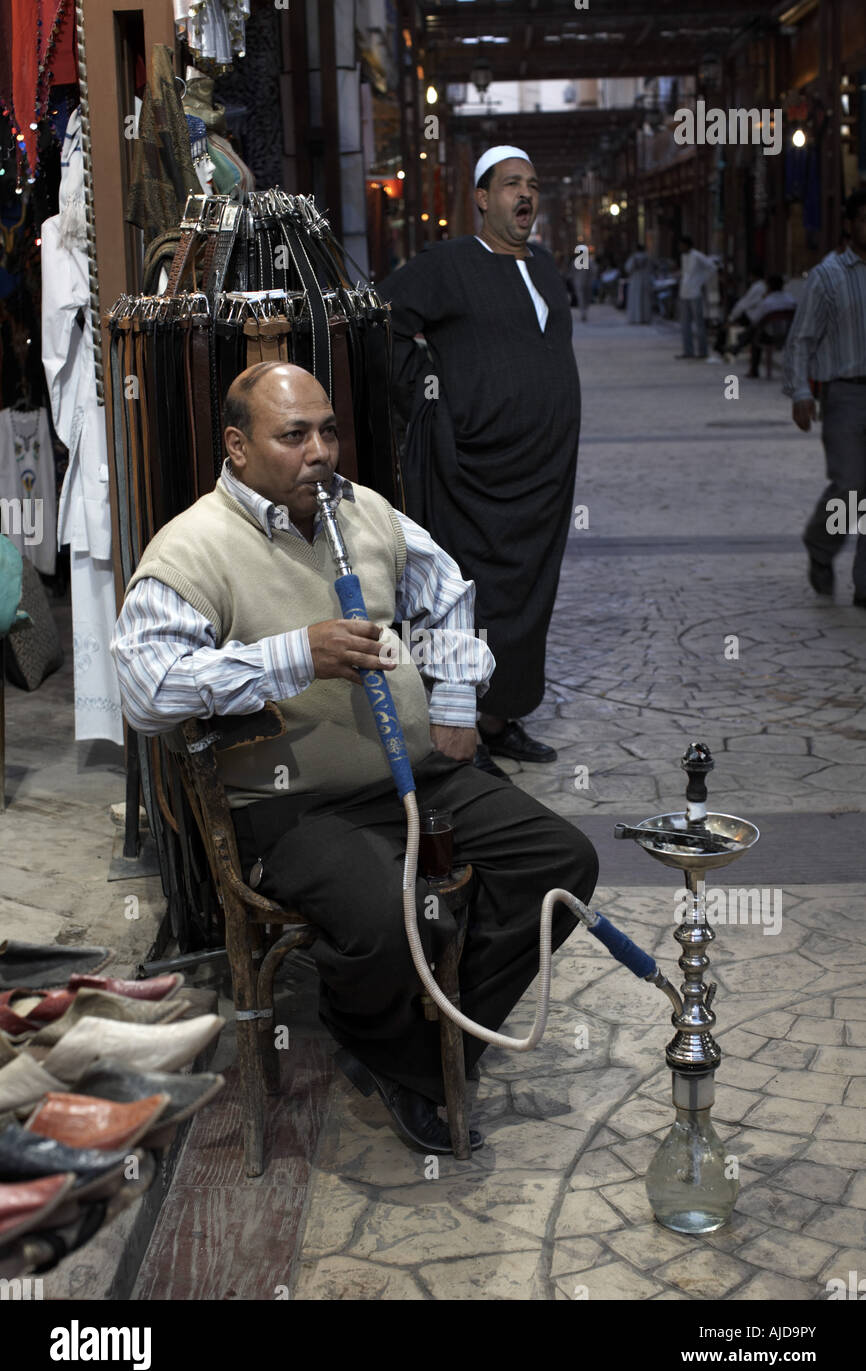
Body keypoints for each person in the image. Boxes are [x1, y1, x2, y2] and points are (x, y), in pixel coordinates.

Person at [111, 362, 599, 1154]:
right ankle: (402, 1049)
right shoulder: (194, 546)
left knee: (561, 862)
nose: (321, 452)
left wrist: (451, 702)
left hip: (421, 773)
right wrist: (289, 658)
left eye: (328, 430)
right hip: (294, 802)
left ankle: (426, 1038)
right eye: (294, 435)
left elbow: (446, 595)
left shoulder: (363, 512)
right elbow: (145, 691)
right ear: (238, 447)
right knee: (387, 918)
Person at [379, 146, 581, 778]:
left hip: (543, 474)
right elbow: (382, 321)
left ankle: (501, 717)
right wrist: (429, 397)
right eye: (512, 184)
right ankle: (461, 722)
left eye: (534, 183)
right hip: (472, 474)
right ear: (483, 198)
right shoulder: (450, 264)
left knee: (530, 594)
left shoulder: (546, 268)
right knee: (470, 595)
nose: (526, 193)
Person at [784, 189, 866, 606]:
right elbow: (801, 339)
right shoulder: (828, 275)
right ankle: (821, 543)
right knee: (851, 486)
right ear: (851, 224)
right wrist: (801, 391)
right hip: (845, 395)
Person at [726, 275, 797, 376]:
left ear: (769, 287)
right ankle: (739, 343)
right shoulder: (791, 300)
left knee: (755, 333)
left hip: (769, 337)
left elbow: (755, 319)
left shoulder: (767, 302)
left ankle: (749, 363)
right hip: (789, 334)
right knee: (755, 330)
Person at [676, 234, 716, 359]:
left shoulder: (697, 256)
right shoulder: (684, 256)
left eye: (682, 245)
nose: (680, 247)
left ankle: (702, 351)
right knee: (685, 324)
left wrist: (701, 281)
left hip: (695, 293)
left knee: (699, 324)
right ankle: (688, 351)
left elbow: (712, 267)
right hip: (684, 293)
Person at [624, 244, 653, 324]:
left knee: (635, 300)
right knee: (645, 300)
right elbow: (651, 268)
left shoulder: (634, 257)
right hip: (645, 280)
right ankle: (645, 318)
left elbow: (628, 268)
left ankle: (636, 318)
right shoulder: (648, 257)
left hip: (635, 280)